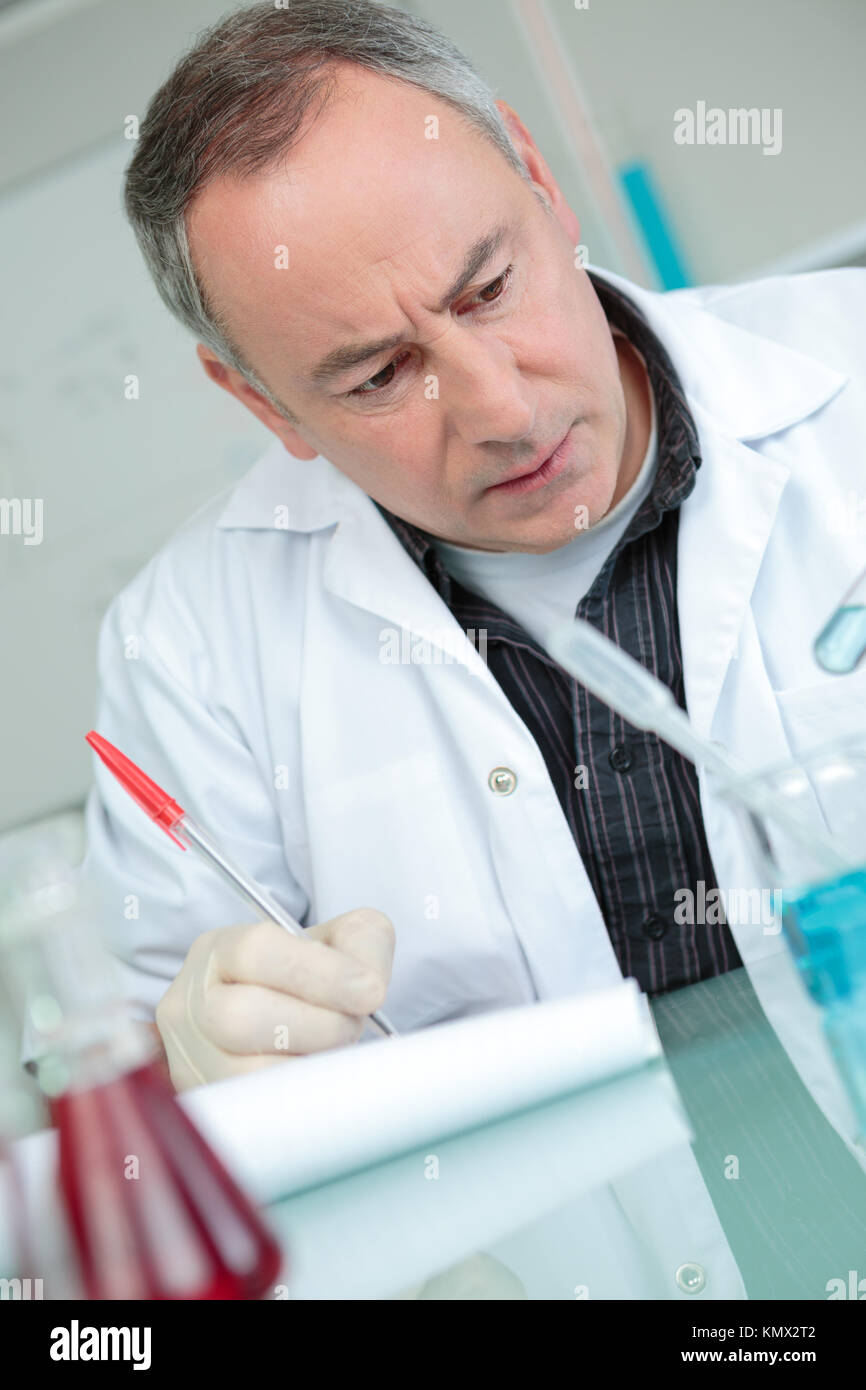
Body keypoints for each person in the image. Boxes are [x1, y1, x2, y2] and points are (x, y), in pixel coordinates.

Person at [83, 0, 866, 1296]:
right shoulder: (192, 652)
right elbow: (147, 1195)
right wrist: (192, 1084)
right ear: (258, 400)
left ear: (539, 181)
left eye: (488, 287)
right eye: (378, 373)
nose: (500, 409)